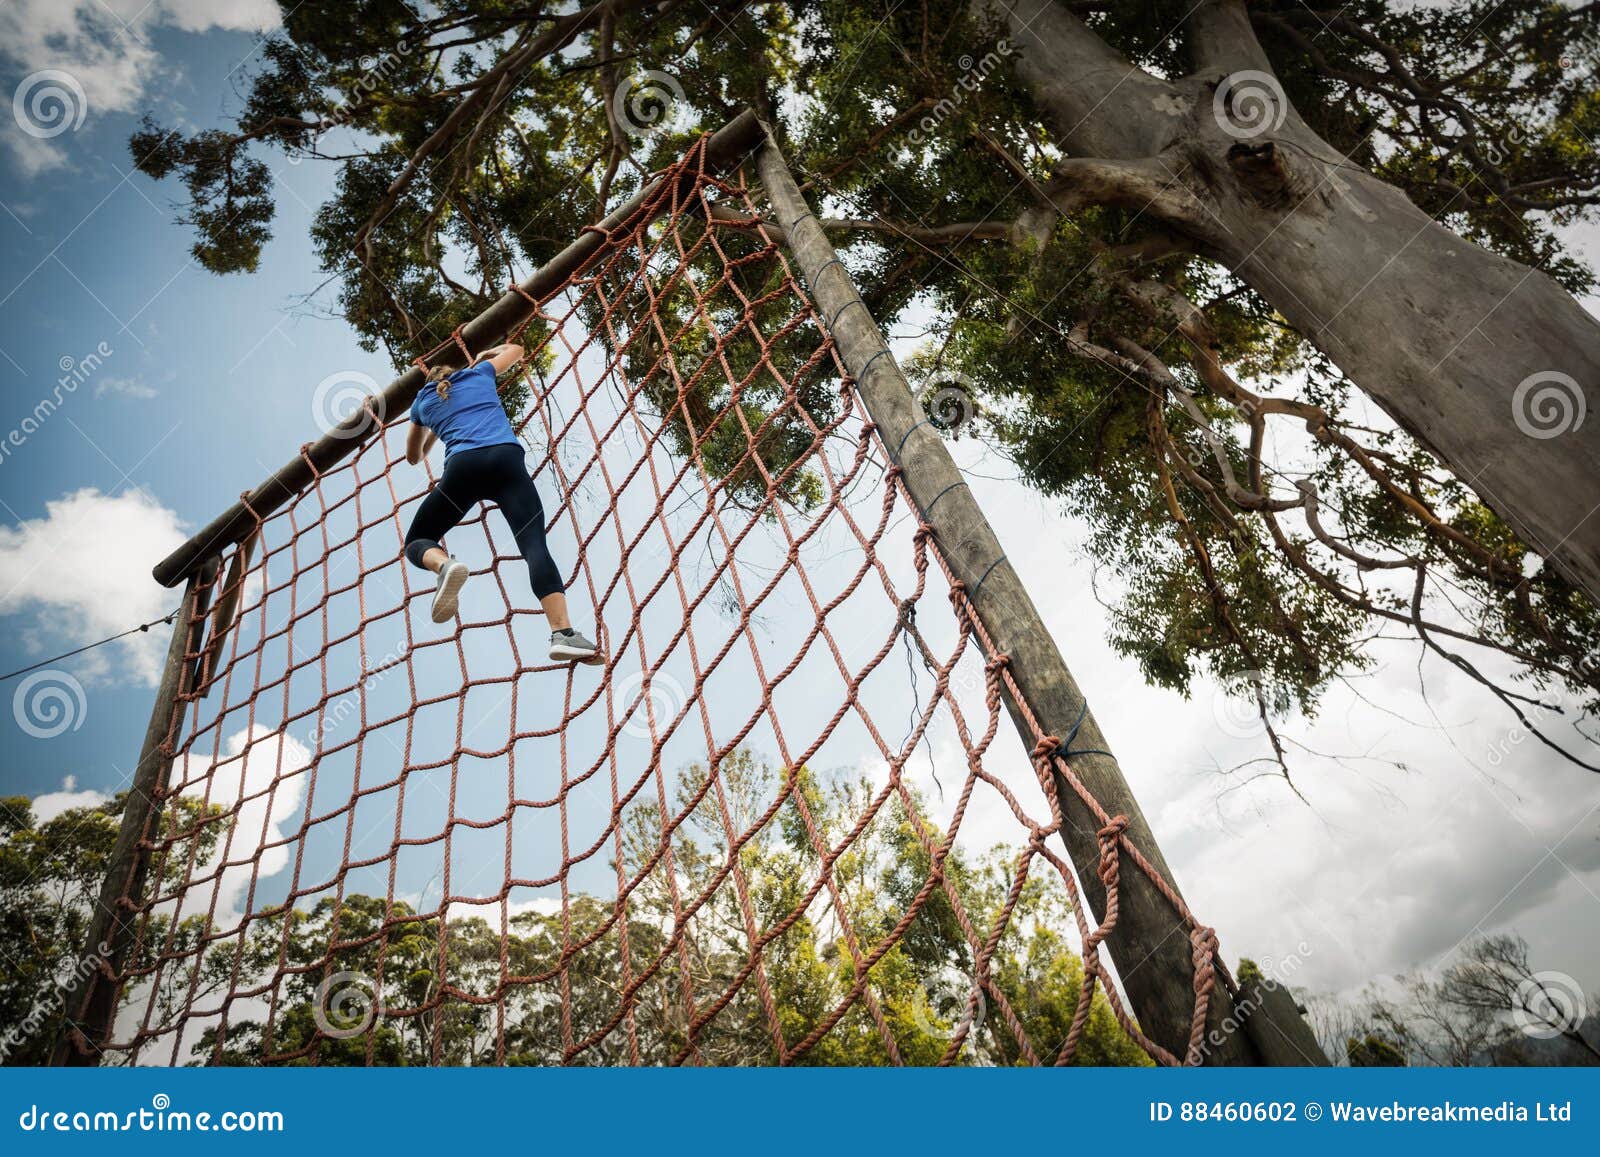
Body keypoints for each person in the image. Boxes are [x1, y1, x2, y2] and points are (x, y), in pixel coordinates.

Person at [402, 342, 604, 665]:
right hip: (506, 460)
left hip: (462, 468)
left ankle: (443, 566)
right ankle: (562, 633)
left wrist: (436, 427)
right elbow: (518, 349)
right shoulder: (479, 373)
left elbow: (414, 457)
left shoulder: (421, 403)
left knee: (417, 540)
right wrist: (485, 354)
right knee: (534, 546)